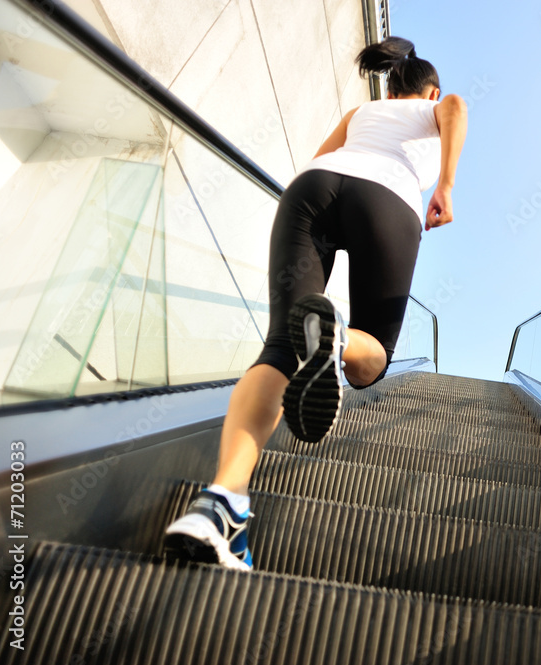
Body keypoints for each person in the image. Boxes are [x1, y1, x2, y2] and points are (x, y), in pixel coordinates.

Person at [162, 36, 467, 570]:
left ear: (389, 87)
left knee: (279, 347)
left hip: (312, 190)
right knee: (373, 364)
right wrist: (444, 184)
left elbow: (321, 159)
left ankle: (222, 502)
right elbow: (457, 108)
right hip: (387, 201)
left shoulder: (362, 112)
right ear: (428, 89)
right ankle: (339, 339)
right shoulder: (432, 107)